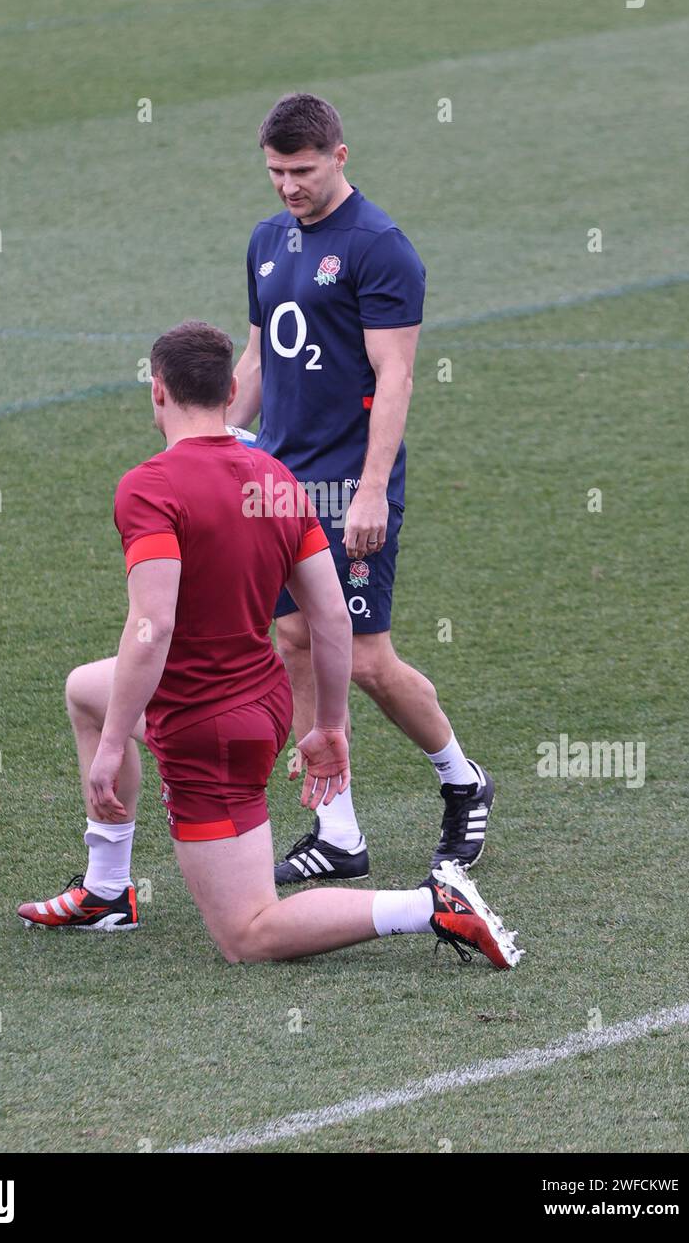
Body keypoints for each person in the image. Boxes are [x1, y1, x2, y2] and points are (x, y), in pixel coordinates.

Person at [17, 321, 521, 971]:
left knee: (248, 933)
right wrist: (331, 726)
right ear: (232, 390)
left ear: (157, 391)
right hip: (262, 700)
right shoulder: (277, 480)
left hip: (204, 726)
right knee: (88, 690)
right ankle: (107, 891)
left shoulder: (149, 487)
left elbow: (153, 627)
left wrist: (114, 746)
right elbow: (333, 618)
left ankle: (428, 906)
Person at [226, 92, 494, 886]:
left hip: (348, 487)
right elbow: (257, 363)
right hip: (275, 486)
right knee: (292, 644)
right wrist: (207, 448)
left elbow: (396, 374)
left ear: (340, 157)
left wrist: (373, 488)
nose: (287, 187)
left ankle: (461, 779)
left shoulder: (380, 247)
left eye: (301, 171)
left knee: (368, 659)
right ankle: (336, 829)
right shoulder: (267, 241)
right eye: (275, 172)